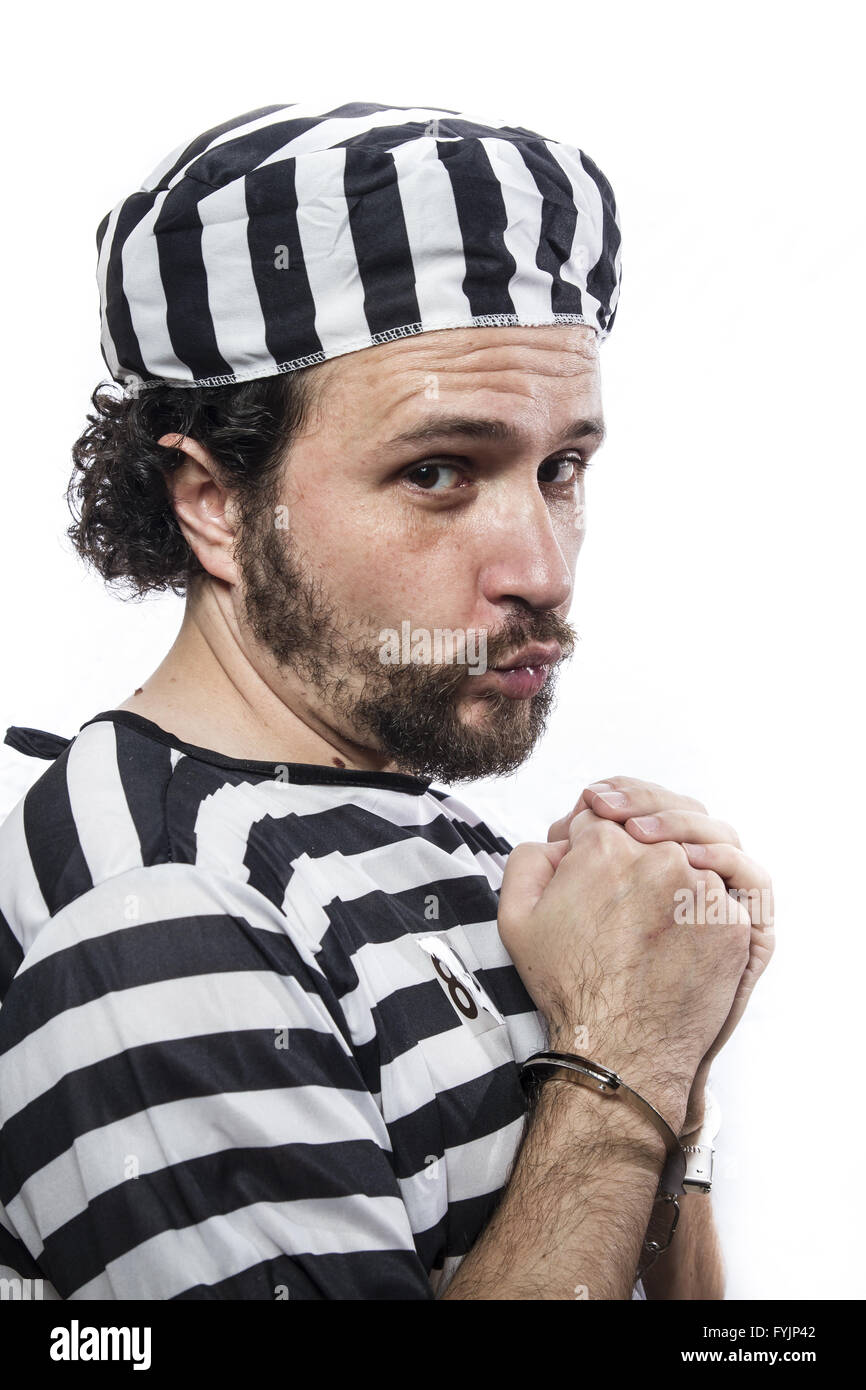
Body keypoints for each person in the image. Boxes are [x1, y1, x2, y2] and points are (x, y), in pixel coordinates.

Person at [0, 100, 773, 1300]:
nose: (543, 568)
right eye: (437, 472)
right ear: (213, 500)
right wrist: (623, 1049)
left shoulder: (429, 836)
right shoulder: (158, 916)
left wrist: (676, 1070)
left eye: (559, 468)